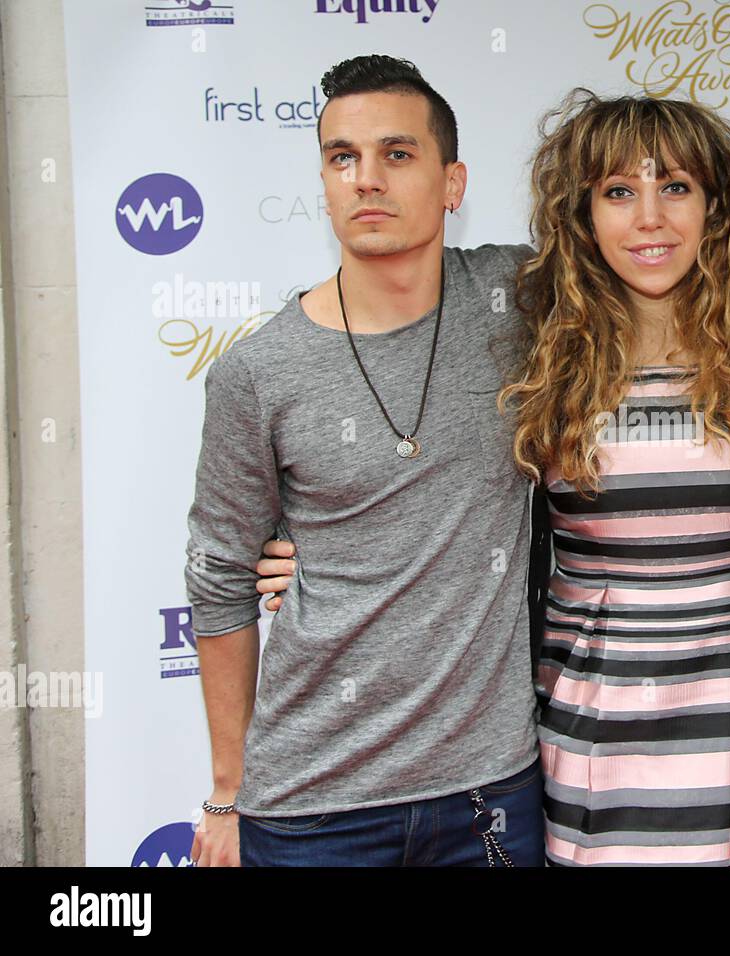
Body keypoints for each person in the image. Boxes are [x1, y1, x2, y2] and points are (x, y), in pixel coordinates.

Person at [259, 89, 730, 867]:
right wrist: (321, 547)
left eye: (677, 188)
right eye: (620, 192)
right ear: (584, 215)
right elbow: (420, 445)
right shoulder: (537, 349)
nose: (649, 218)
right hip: (598, 747)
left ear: (716, 209)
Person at [184, 54, 544, 867]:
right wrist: (226, 791)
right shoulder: (259, 371)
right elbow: (218, 580)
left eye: (397, 154)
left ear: (453, 183)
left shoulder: (520, 297)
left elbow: (655, 270)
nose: (366, 179)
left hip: (489, 791)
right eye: (342, 158)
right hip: (314, 806)